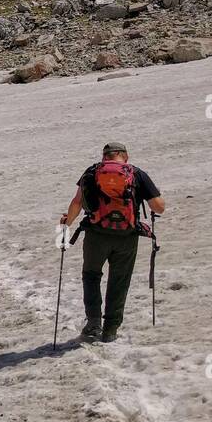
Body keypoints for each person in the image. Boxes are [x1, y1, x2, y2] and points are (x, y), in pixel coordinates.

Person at [60, 142, 165, 342]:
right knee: (119, 281)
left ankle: (93, 323)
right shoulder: (136, 174)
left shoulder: (92, 172)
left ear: (104, 156)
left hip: (96, 235)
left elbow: (77, 201)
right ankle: (110, 330)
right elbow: (159, 207)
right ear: (125, 156)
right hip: (126, 237)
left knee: (91, 275)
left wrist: (67, 225)